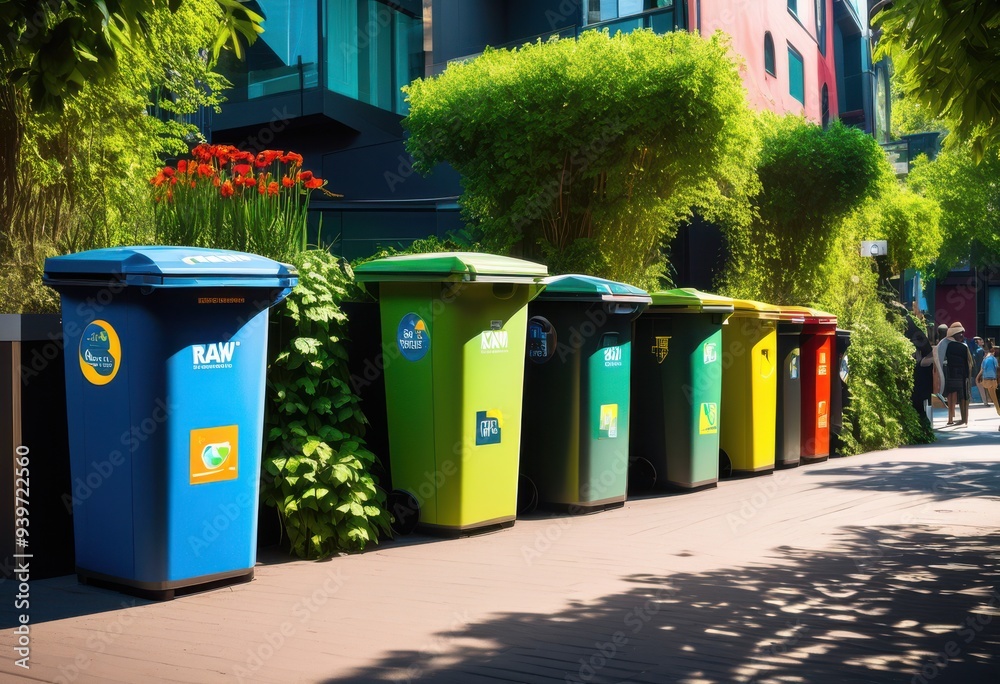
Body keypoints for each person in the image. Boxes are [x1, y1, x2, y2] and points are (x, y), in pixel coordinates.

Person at [935, 322, 974, 426]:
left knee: (962, 396)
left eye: (962, 333)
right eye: (959, 333)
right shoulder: (946, 344)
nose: (961, 335)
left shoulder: (949, 344)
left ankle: (962, 419)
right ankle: (952, 418)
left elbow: (969, 362)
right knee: (954, 396)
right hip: (952, 374)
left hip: (960, 375)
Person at [975, 346, 1000, 429]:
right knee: (995, 400)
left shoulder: (986, 359)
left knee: (995, 400)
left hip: (988, 380)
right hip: (993, 381)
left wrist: (978, 377)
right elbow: (997, 369)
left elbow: (982, 369)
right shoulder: (993, 359)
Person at [971, 336, 988, 405]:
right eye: (980, 340)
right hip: (980, 371)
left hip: (973, 371)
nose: (982, 341)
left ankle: (972, 401)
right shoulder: (981, 350)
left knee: (972, 387)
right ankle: (985, 401)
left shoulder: (972, 350)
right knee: (982, 387)